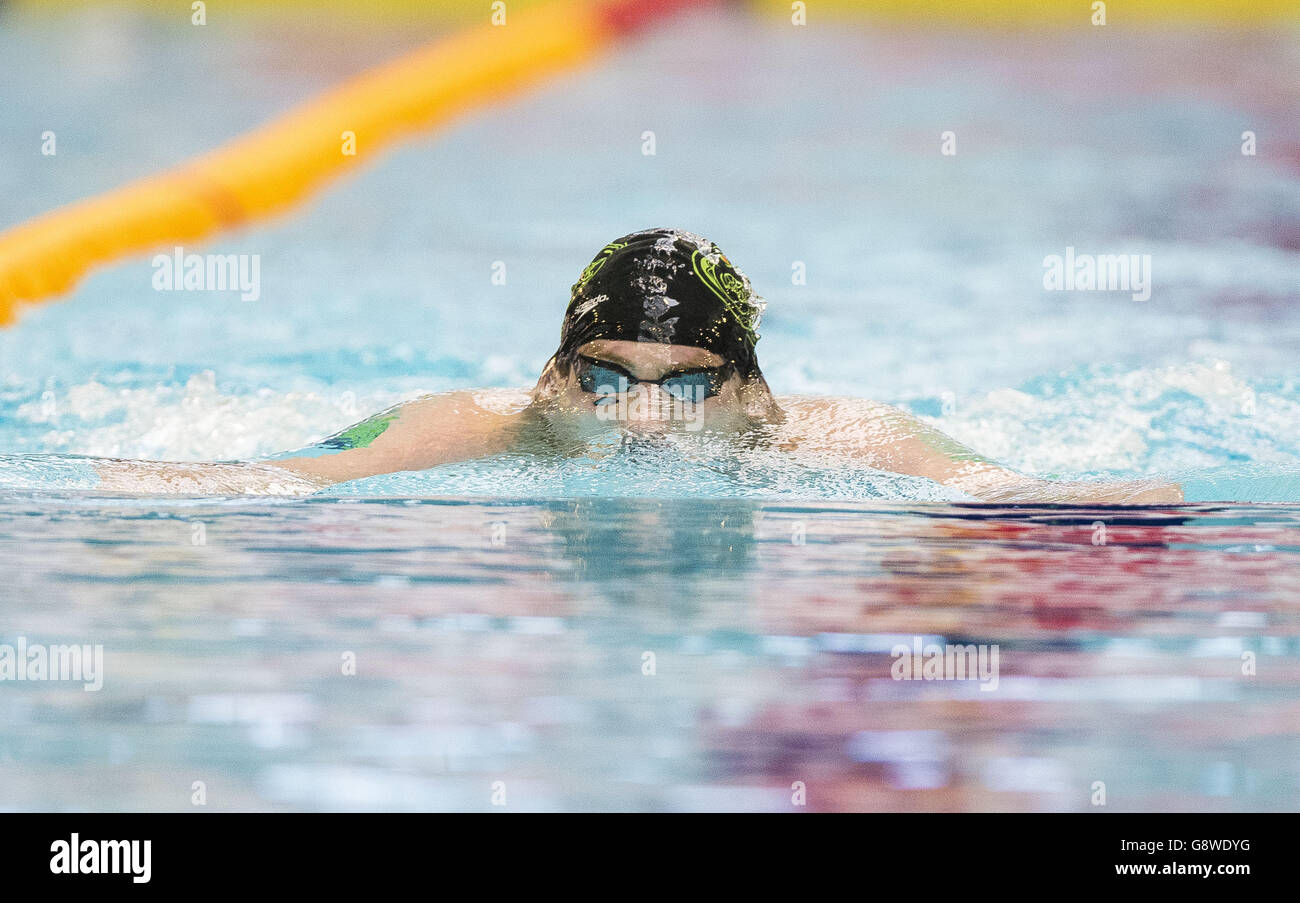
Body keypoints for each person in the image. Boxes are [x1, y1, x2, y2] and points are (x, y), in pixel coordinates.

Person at [92, 228, 1182, 502]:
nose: (640, 420)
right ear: (555, 379)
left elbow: (1011, 492)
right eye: (608, 378)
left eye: (687, 383)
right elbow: (268, 478)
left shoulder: (846, 438)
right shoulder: (466, 428)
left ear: (750, 390)